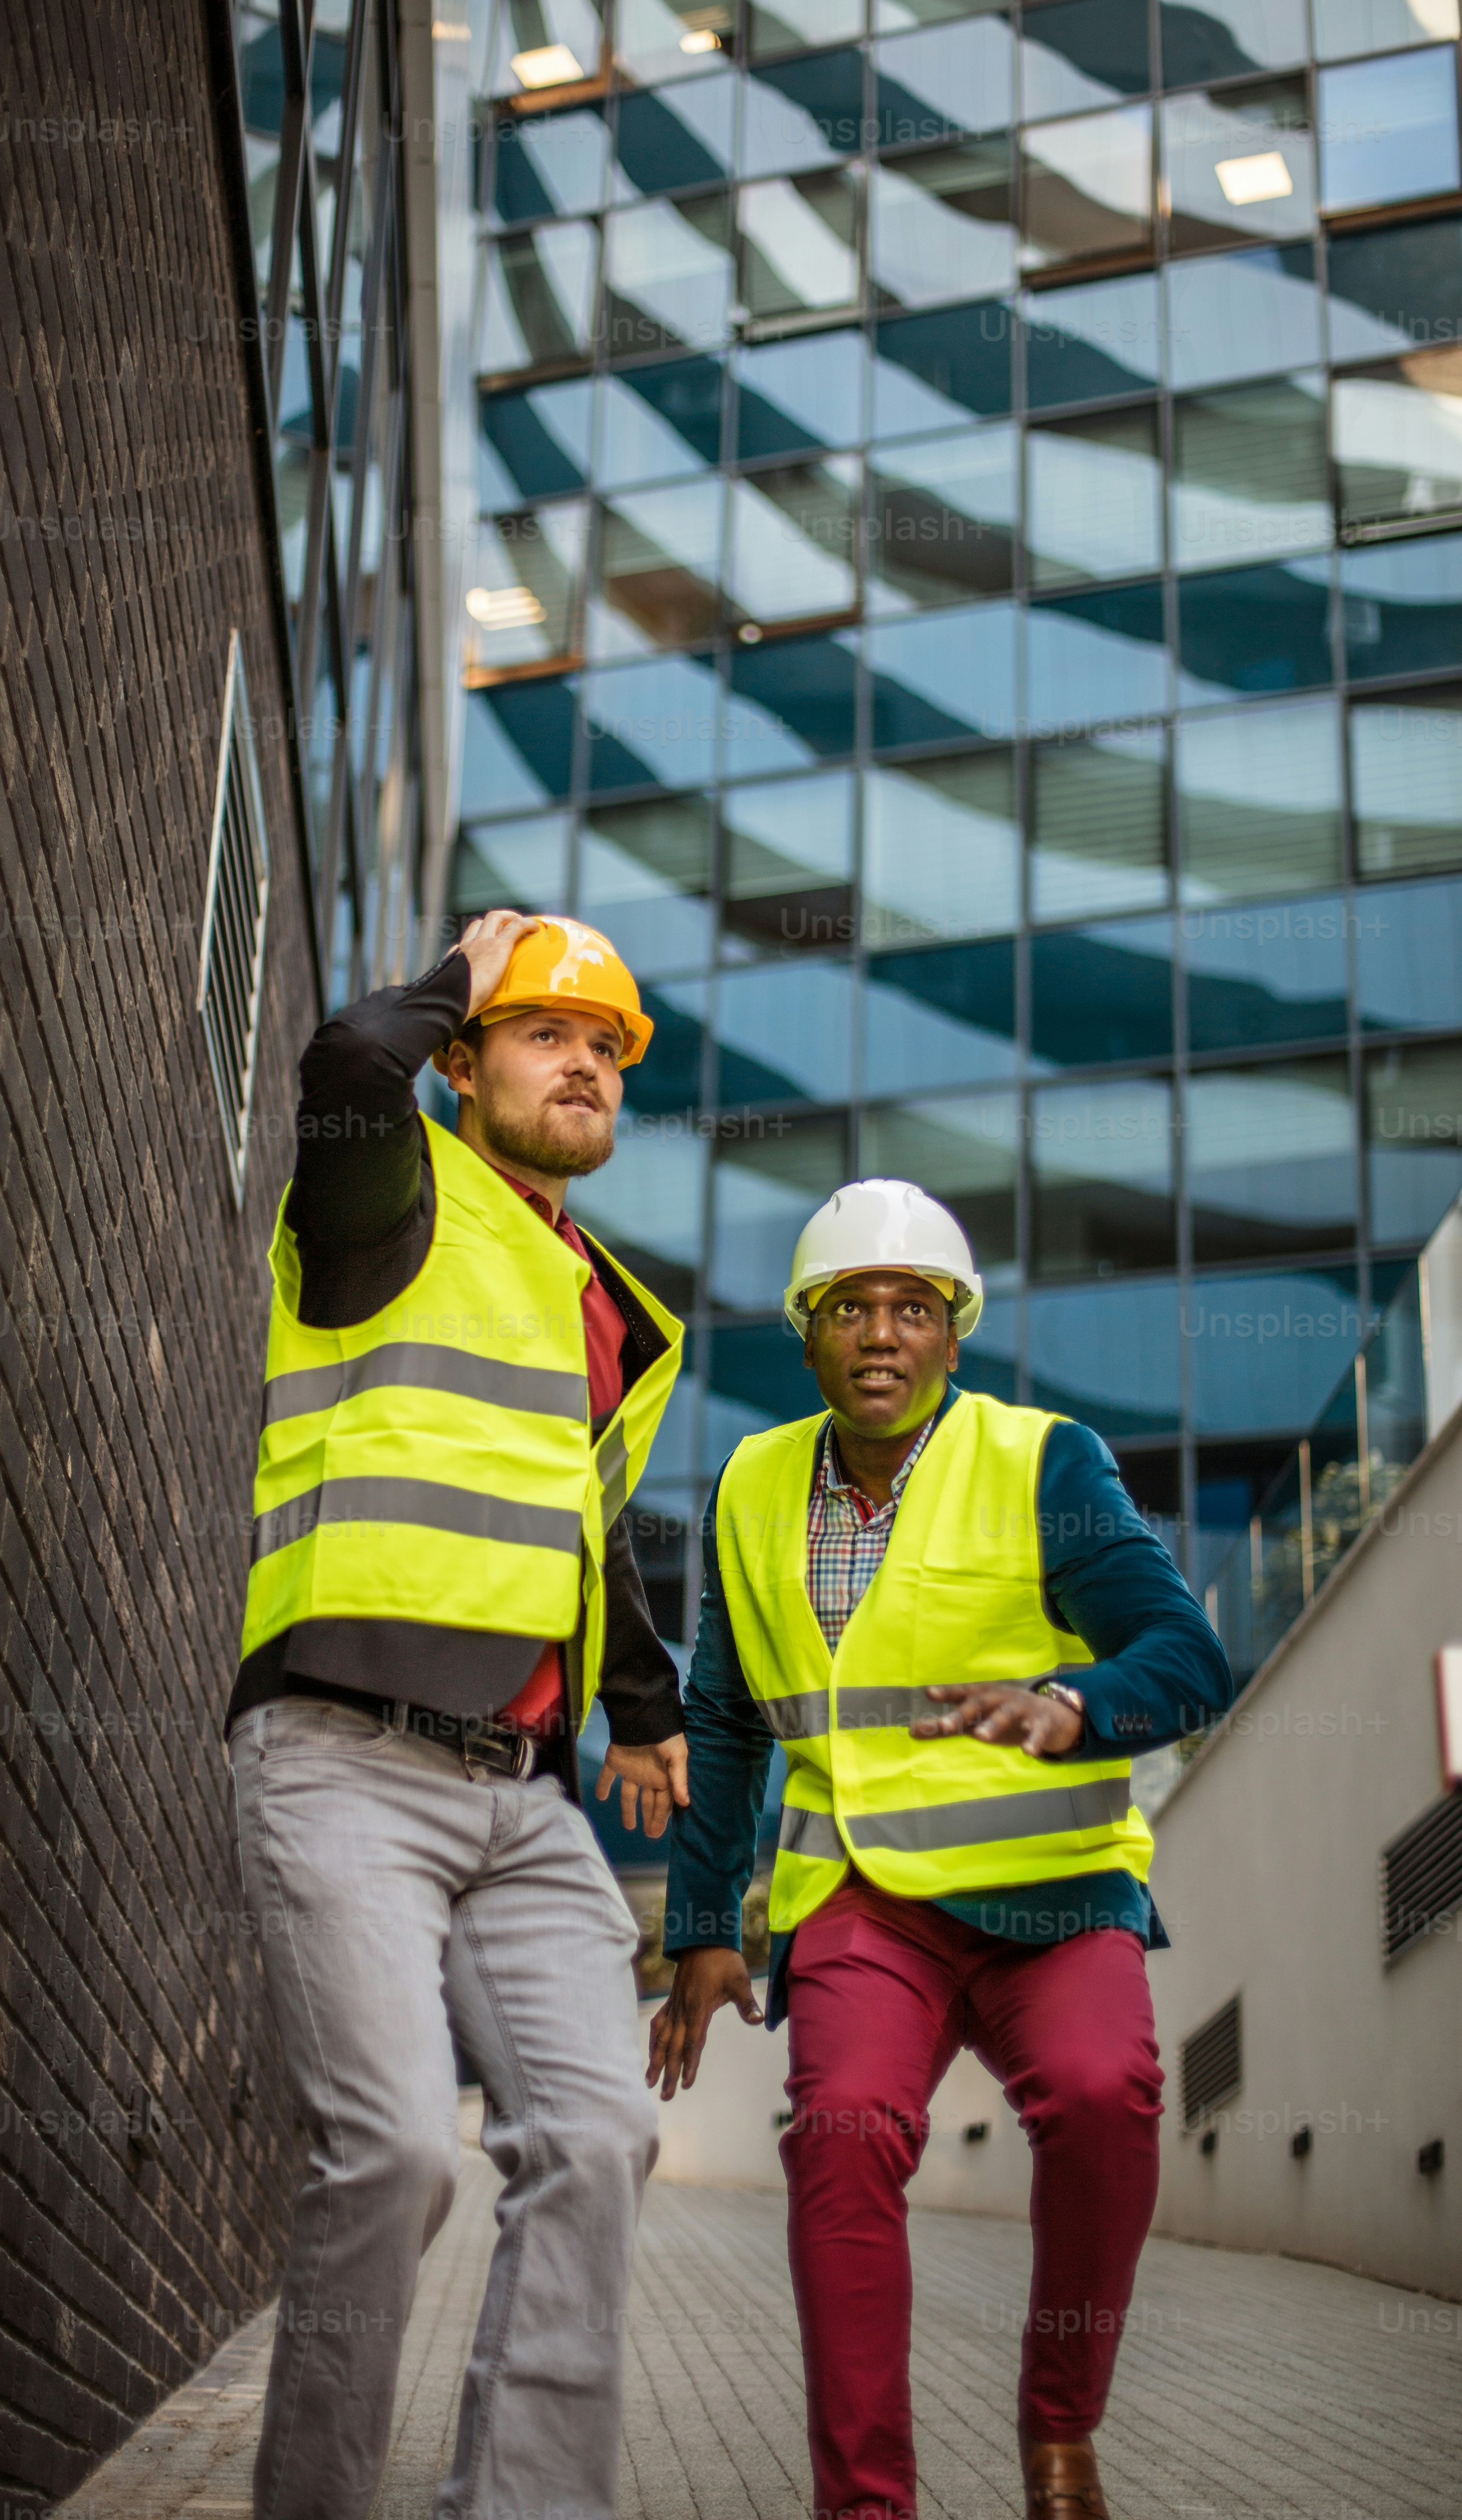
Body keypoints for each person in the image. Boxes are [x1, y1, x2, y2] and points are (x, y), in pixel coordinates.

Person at [647, 1177, 1233, 2520]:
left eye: (914, 1306)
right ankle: (867, 2503)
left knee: (1104, 2095)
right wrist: (699, 1934)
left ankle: (1059, 2430)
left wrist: (1078, 1701)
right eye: (851, 1305)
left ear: (954, 1333)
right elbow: (728, 1719)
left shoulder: (1043, 1461)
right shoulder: (750, 1483)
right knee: (842, 2134)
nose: (881, 1332)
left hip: (1052, 1896)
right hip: (863, 1900)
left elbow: (1190, 1655)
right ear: (809, 1333)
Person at [228, 909, 689, 2520]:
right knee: (399, 2154)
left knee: (597, 2135)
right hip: (344, 1754)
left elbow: (577, 1527)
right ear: (471, 1053)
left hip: (525, 1799)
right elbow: (350, 1057)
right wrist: (457, 971)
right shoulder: (391, 1192)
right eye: (545, 1029)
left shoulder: (604, 1301)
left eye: (607, 1045)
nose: (583, 1062)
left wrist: (641, 1705)